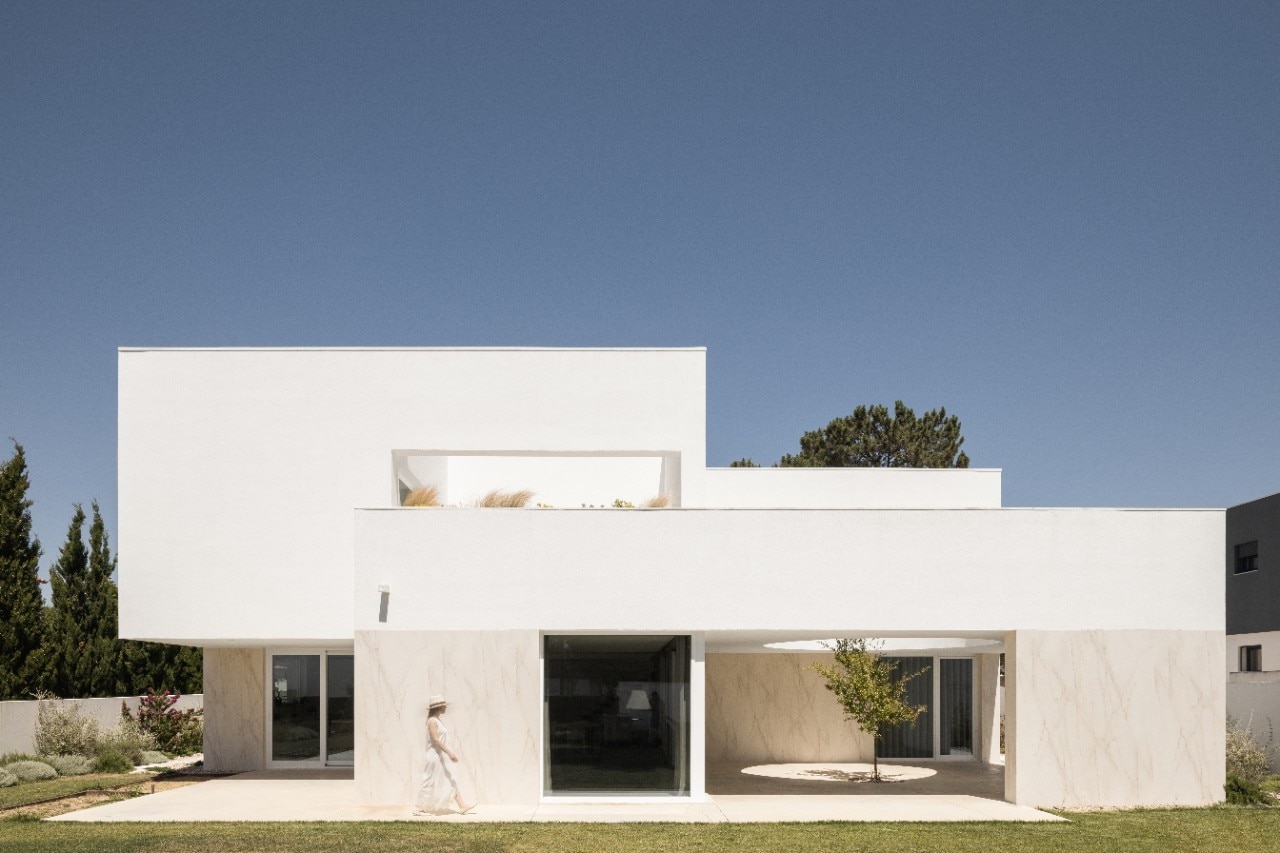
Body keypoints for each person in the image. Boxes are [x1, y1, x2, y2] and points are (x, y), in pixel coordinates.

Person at [413, 695, 475, 815]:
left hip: (440, 757)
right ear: (438, 707)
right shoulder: (432, 721)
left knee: (450, 778)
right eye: (443, 705)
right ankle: (418, 808)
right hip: (434, 757)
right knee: (429, 781)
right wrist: (450, 753)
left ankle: (462, 805)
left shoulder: (437, 720)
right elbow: (436, 740)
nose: (445, 707)